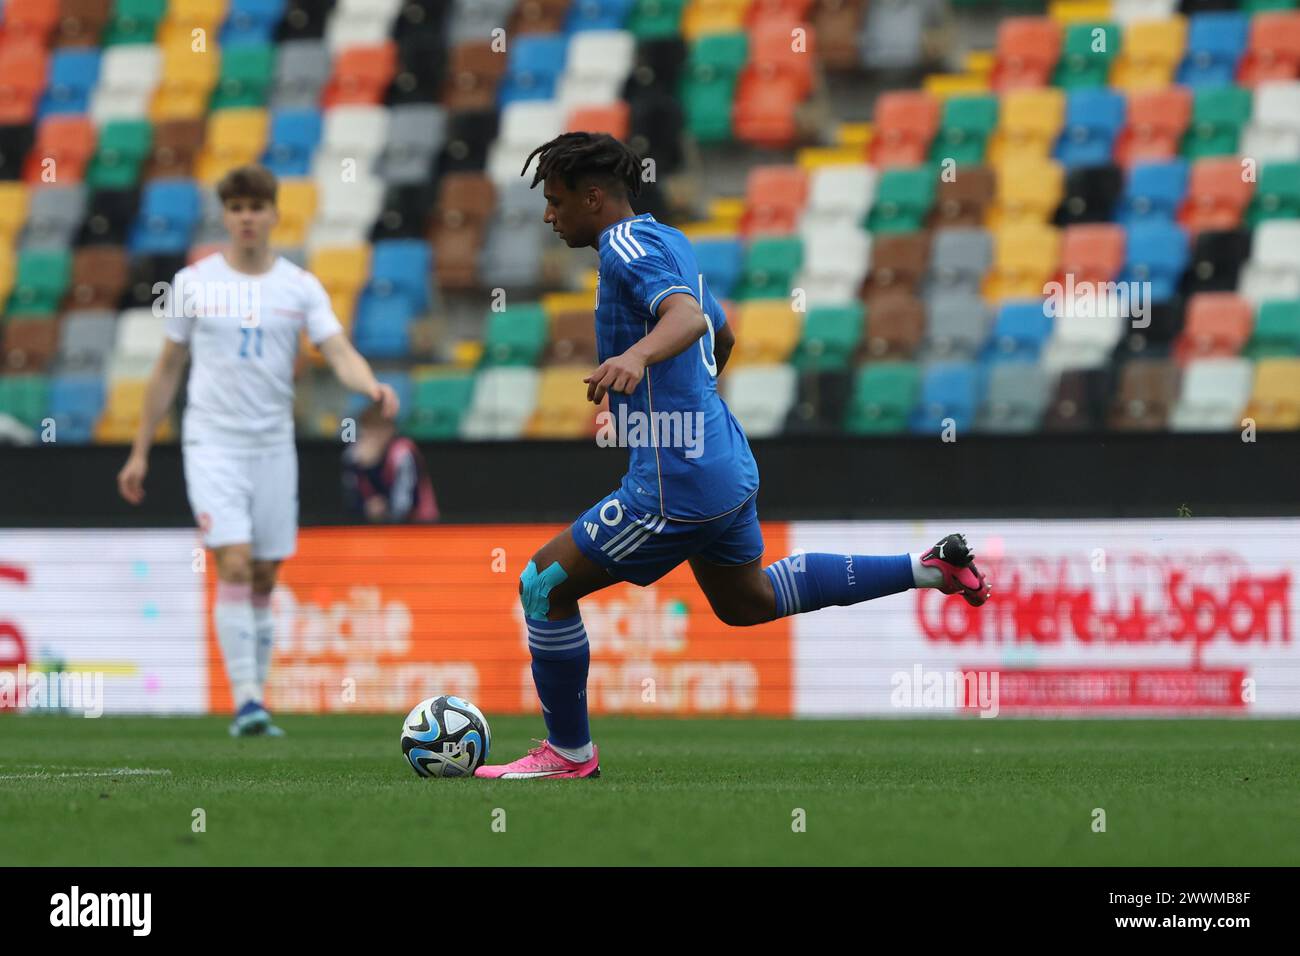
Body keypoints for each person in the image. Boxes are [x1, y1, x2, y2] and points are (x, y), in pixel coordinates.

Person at [475, 133, 993, 780]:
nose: (549, 216)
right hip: (724, 462)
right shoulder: (668, 239)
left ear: (594, 197)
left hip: (677, 486)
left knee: (543, 584)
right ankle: (929, 570)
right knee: (746, 601)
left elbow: (690, 320)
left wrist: (637, 360)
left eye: (555, 202)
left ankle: (568, 755)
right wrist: (678, 400)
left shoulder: (625, 247)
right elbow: (722, 332)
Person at [116, 164, 400, 737]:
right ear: (226, 216)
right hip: (211, 442)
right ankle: (247, 701)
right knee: (236, 562)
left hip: (272, 443)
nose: (247, 217)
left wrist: (368, 384)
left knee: (267, 575)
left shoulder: (298, 286)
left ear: (274, 214)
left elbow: (337, 348)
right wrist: (139, 450)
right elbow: (167, 369)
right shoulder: (193, 283)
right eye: (237, 207)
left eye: (257, 206)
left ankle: (257, 696)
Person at [342, 404, 439, 523]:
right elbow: (350, 499)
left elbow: (405, 505)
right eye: (368, 429)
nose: (373, 436)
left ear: (390, 430)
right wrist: (365, 507)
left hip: (418, 525)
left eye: (379, 429)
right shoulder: (353, 455)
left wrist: (372, 467)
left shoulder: (402, 453)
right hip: (370, 527)